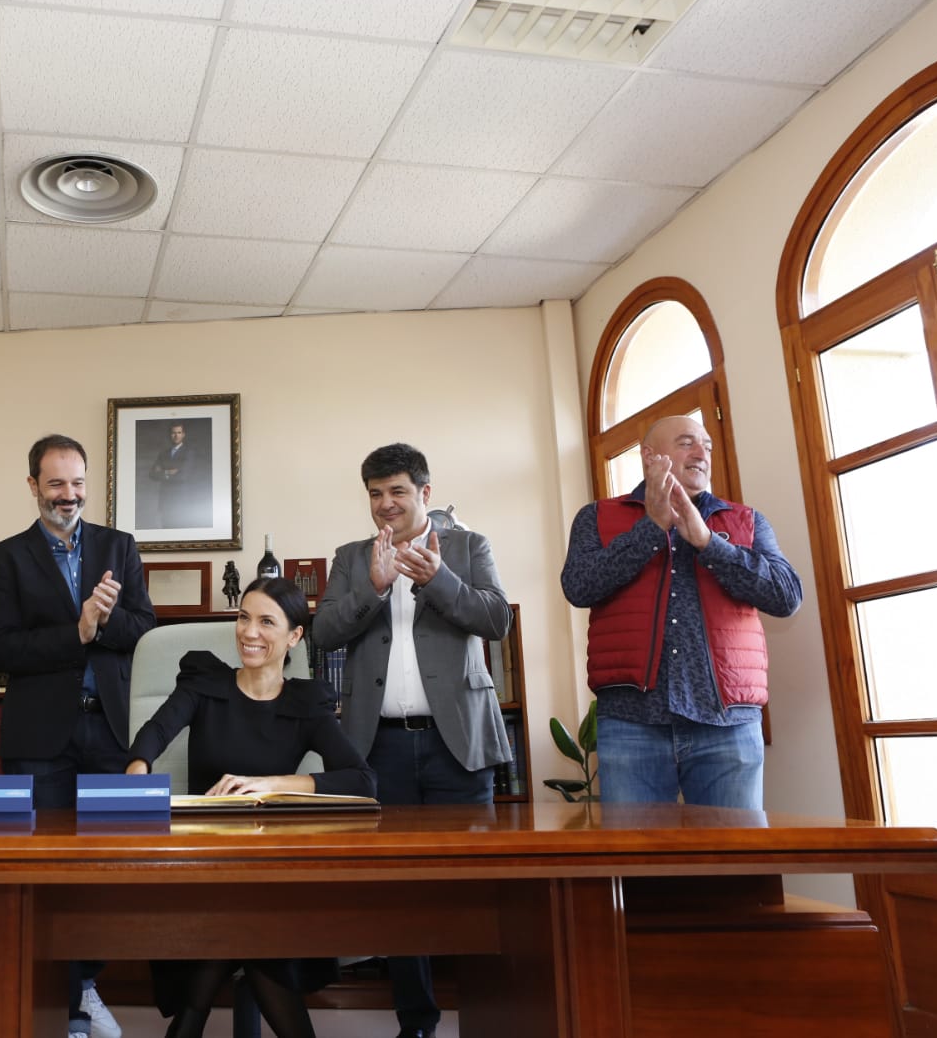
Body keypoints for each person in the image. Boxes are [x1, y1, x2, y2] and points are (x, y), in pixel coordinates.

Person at [313, 442, 512, 1038]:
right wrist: (372, 588)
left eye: (397, 492)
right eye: (375, 494)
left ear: (425, 494)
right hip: (380, 745)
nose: (385, 505)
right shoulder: (352, 557)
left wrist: (441, 580)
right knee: (400, 892)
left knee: (476, 891)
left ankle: (493, 1017)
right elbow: (322, 633)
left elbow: (497, 619)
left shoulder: (470, 548)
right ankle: (416, 1022)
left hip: (459, 744)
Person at [128, 577, 375, 1038]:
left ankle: (186, 1027)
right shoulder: (205, 682)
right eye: (244, 617)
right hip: (202, 863)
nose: (250, 632)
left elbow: (362, 779)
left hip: (271, 865)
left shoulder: (306, 702)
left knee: (243, 920)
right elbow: (157, 730)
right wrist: (139, 764)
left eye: (266, 622)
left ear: (294, 636)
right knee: (248, 926)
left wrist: (271, 784)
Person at [0, 433, 156, 1038]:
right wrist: (76, 630)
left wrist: (102, 625)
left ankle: (83, 987)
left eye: (78, 482)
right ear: (33, 485)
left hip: (111, 732)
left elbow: (143, 630)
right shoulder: (5, 557)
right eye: (56, 483)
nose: (69, 495)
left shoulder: (119, 546)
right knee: (40, 869)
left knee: (108, 871)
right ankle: (62, 997)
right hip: (39, 738)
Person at [560, 414, 802, 809]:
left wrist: (710, 544)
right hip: (630, 724)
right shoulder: (597, 517)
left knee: (735, 865)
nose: (701, 453)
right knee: (639, 866)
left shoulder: (746, 521)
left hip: (729, 726)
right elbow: (579, 586)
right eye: (687, 442)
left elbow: (786, 596)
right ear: (650, 456)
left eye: (707, 445)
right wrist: (651, 529)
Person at [146, 421, 207, 528]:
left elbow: (183, 476)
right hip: (165, 501)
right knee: (166, 530)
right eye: (173, 433)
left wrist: (162, 471)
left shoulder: (189, 452)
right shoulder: (163, 453)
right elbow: (152, 474)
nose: (176, 435)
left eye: (179, 432)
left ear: (183, 434)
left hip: (182, 501)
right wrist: (168, 472)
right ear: (170, 435)